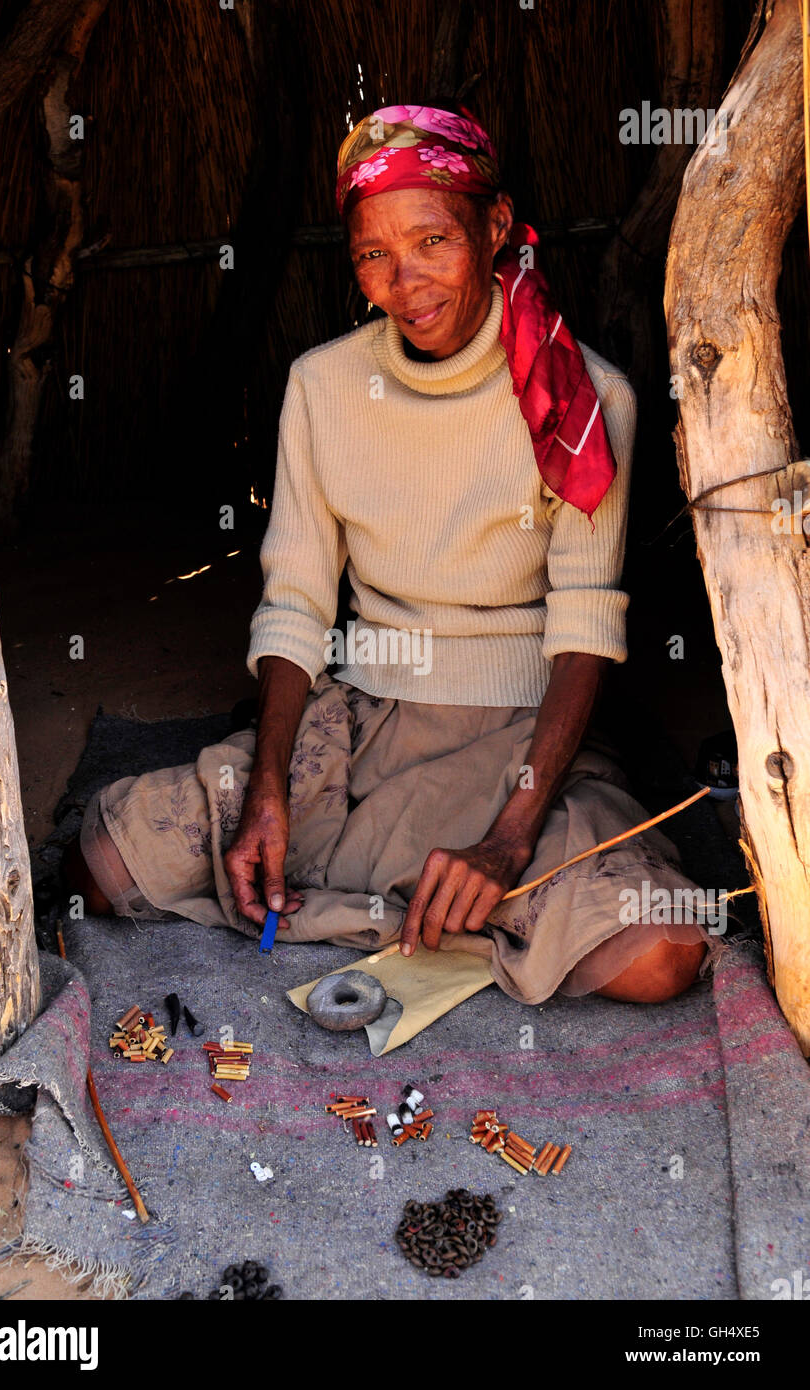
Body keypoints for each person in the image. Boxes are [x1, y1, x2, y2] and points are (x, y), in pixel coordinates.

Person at [63, 102, 721, 1006]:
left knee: (658, 955)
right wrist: (267, 787)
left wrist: (511, 836)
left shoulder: (582, 402)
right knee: (103, 868)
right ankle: (441, 923)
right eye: (373, 254)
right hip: (362, 719)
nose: (403, 283)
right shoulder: (323, 387)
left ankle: (419, 903)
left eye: (432, 242)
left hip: (516, 738)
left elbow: (583, 627)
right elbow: (294, 604)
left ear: (494, 228)